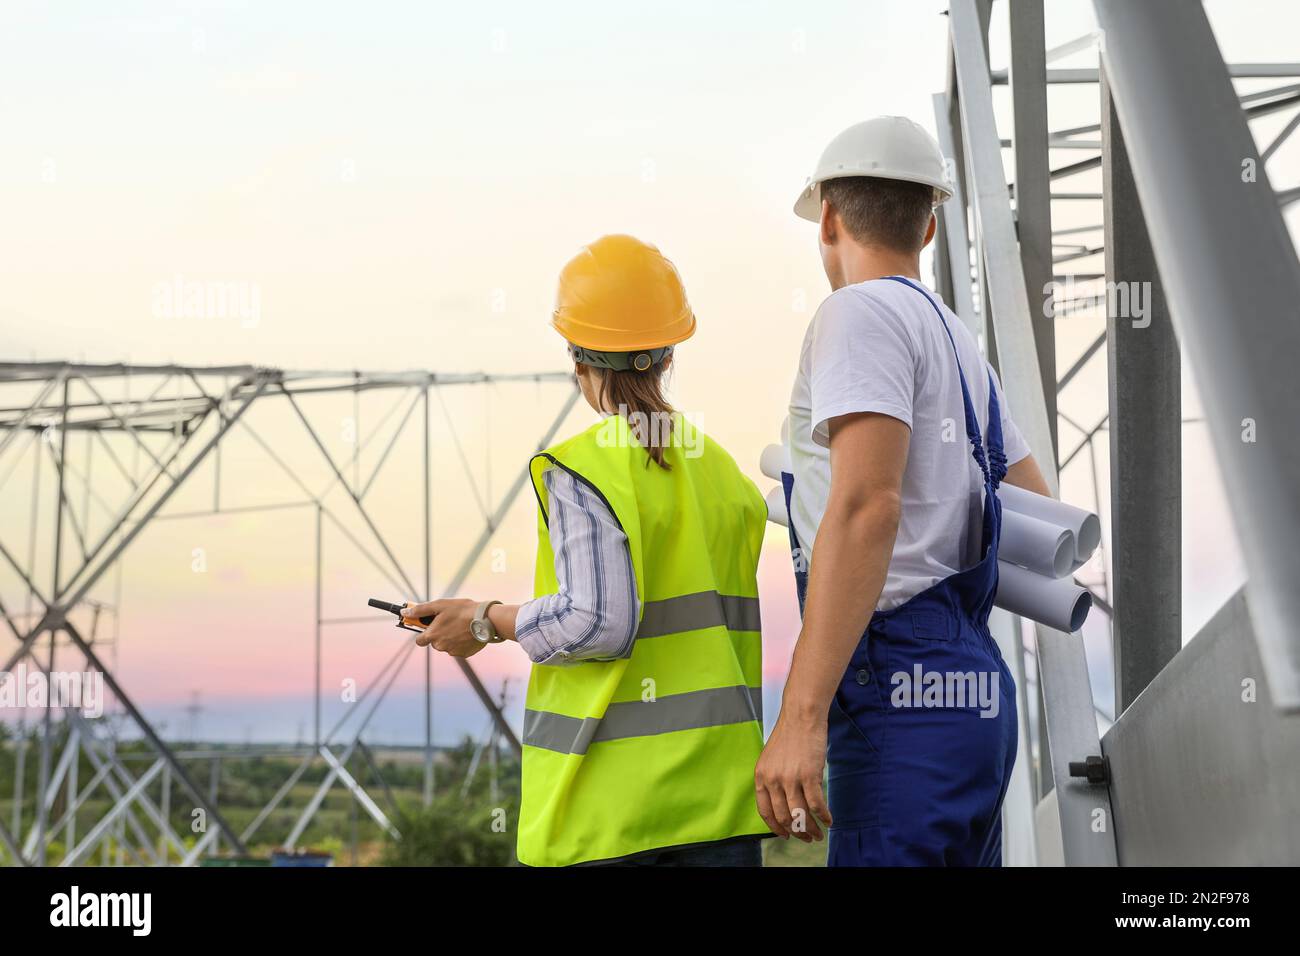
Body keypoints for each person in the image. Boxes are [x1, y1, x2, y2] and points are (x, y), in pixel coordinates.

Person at [403, 234, 770, 867]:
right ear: (666, 355)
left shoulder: (584, 468)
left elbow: (597, 621)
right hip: (719, 814)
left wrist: (485, 620)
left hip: (610, 821)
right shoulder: (725, 476)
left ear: (579, 358)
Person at [755, 116, 1053, 866]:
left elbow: (869, 505)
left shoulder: (856, 314)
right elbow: (1035, 506)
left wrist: (800, 714)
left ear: (827, 216)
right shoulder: (959, 344)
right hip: (972, 691)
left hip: (897, 688)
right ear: (929, 224)